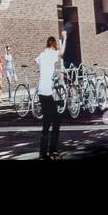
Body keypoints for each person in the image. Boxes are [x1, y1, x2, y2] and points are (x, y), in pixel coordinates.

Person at [36, 28, 68, 159]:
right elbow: (62, 52)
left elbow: (35, 60)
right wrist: (64, 38)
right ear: (54, 45)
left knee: (46, 121)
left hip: (40, 92)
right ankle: (52, 150)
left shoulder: (43, 55)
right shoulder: (53, 54)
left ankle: (43, 153)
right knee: (56, 120)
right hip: (48, 93)